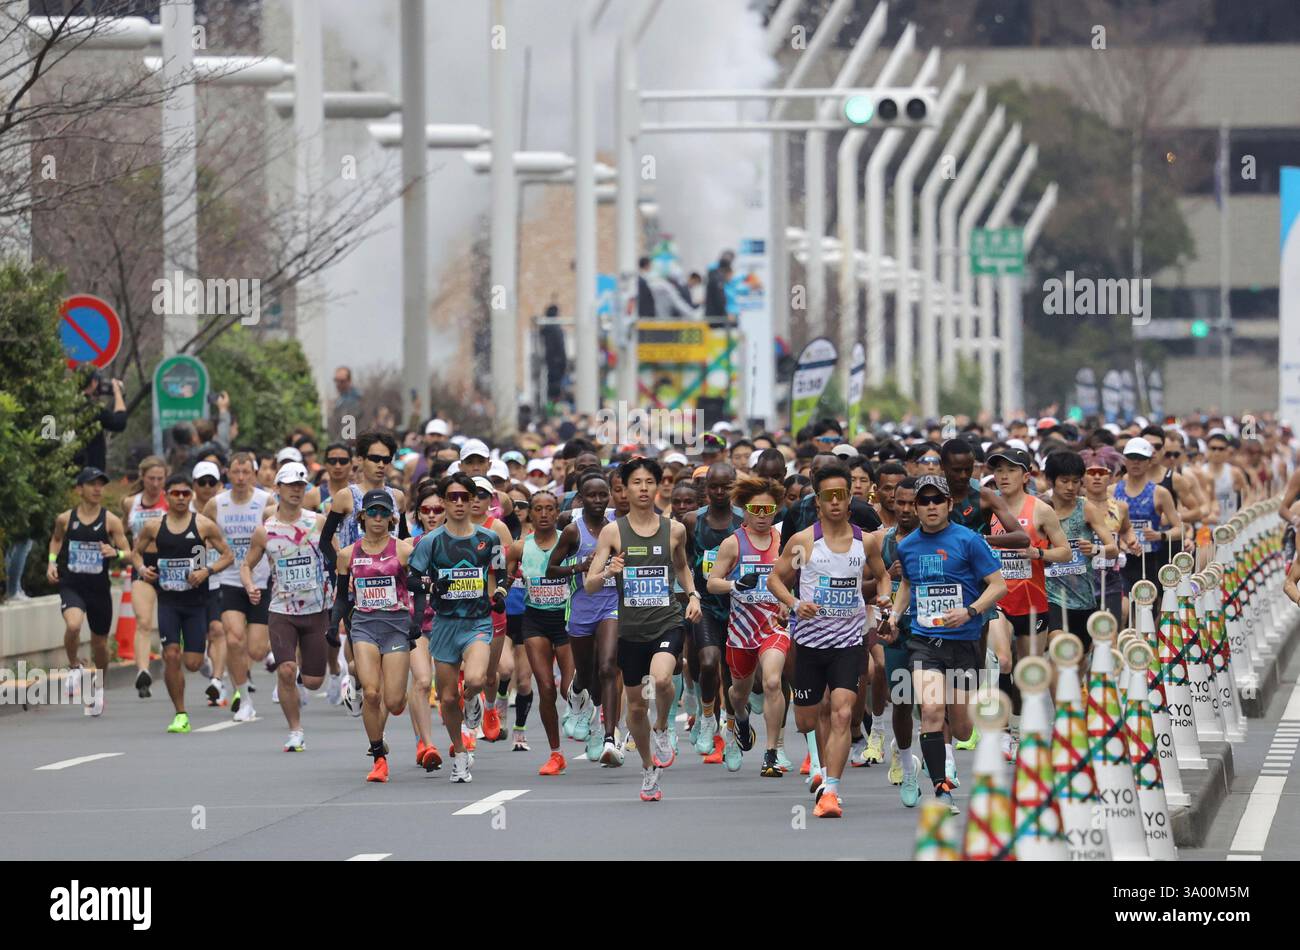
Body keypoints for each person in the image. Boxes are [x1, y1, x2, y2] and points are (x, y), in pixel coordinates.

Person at [766, 462, 889, 819]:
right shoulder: (805, 541)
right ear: (818, 501)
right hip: (808, 645)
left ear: (850, 498)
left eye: (841, 495)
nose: (835, 502)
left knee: (842, 713)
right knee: (809, 718)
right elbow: (776, 579)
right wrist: (793, 604)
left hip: (848, 642)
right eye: (828, 496)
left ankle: (831, 789)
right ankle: (819, 766)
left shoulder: (864, 542)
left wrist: (883, 600)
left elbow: (881, 577)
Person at [887, 474, 1007, 815]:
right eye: (923, 501)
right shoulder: (907, 545)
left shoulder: (968, 540)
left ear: (949, 505)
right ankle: (940, 790)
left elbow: (998, 586)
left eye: (936, 500)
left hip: (965, 642)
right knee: (930, 710)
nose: (930, 507)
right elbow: (908, 585)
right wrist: (895, 616)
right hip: (924, 641)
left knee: (963, 724)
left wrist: (970, 610)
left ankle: (943, 758)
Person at [584, 457, 702, 802]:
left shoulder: (675, 529)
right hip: (630, 629)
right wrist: (609, 569)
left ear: (657, 485)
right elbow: (590, 585)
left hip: (667, 619)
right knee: (635, 709)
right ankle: (649, 767)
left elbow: (682, 568)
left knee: (663, 679)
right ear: (623, 488)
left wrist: (692, 595)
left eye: (650, 482)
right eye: (636, 483)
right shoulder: (613, 531)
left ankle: (663, 725)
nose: (644, 489)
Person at [408, 473, 510, 784]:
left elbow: (501, 572)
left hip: (477, 622)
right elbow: (412, 579)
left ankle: (475, 702)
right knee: (449, 698)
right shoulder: (431, 541)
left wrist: (501, 593)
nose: (460, 503)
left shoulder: (487, 538)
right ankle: (460, 753)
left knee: (477, 678)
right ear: (443, 501)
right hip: (444, 626)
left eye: (465, 497)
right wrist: (431, 583)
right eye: (452, 497)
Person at [131, 473, 233, 734]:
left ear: (191, 496)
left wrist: (206, 571)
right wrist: (142, 570)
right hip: (168, 602)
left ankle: (206, 665)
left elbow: (228, 555)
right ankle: (180, 713)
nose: (180, 498)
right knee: (171, 655)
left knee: (193, 663)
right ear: (166, 495)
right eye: (175, 493)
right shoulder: (154, 526)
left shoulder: (203, 525)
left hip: (196, 603)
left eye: (185, 493)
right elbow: (135, 552)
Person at [241, 462, 331, 752]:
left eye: (300, 485)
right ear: (277, 489)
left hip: (317, 610)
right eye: (290, 485)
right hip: (281, 610)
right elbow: (246, 564)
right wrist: (250, 586)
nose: (296, 490)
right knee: (286, 671)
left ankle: (306, 679)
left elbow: (339, 557)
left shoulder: (318, 522)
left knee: (315, 681)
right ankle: (296, 730)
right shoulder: (264, 531)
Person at [334, 490, 419, 783]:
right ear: (362, 516)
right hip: (364, 625)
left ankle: (400, 694)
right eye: (373, 513)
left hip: (396, 625)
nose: (378, 518)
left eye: (384, 513)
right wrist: (334, 626)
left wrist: (416, 621)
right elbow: (342, 599)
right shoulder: (348, 554)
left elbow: (419, 588)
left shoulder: (404, 551)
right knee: (371, 693)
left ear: (392, 518)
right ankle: (378, 757)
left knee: (393, 702)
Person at [706, 474, 788, 775]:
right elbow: (712, 583)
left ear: (776, 510)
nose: (763, 517)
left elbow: (798, 578)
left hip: (774, 628)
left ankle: (771, 753)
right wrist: (735, 585)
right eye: (756, 511)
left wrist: (787, 601)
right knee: (738, 693)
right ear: (745, 511)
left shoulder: (784, 542)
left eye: (768, 511)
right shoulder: (733, 543)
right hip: (741, 631)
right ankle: (740, 717)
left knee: (772, 682)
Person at [547, 471, 622, 765]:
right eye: (592, 495)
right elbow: (551, 569)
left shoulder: (615, 529)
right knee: (588, 673)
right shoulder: (573, 531)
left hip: (610, 605)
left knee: (607, 668)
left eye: (604, 494)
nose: (599, 500)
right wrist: (579, 566)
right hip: (580, 608)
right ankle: (577, 692)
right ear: (581, 497)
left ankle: (607, 737)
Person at [48, 467, 130, 716]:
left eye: (100, 484)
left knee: (100, 644)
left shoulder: (110, 521)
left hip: (98, 589)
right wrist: (51, 561)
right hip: (72, 584)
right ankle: (75, 666)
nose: (97, 489)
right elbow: (56, 539)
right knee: (73, 626)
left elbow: (130, 553)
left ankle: (100, 688)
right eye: (92, 484)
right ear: (79, 489)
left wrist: (116, 553)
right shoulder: (65, 518)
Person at [508, 490, 573, 775]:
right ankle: (556, 753)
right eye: (538, 509)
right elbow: (505, 579)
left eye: (550, 509)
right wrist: (498, 592)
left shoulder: (569, 541)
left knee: (567, 688)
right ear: (530, 514)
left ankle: (589, 720)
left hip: (567, 620)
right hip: (534, 620)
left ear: (557, 512)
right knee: (545, 687)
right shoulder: (520, 547)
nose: (544, 514)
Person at [681, 462, 744, 758]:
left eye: (725, 486)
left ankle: (731, 729)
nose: (719, 492)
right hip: (705, 603)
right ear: (705, 488)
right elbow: (682, 563)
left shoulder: (743, 521)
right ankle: (708, 718)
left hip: (738, 605)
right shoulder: (693, 521)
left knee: (732, 673)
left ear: (734, 487)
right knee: (707, 662)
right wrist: (690, 595)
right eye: (713, 486)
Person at [205, 452, 273, 721]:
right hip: (230, 579)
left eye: (246, 472)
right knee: (233, 639)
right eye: (236, 472)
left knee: (255, 649)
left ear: (254, 474)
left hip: (261, 580)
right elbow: (202, 532)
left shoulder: (265, 502)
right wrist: (203, 564)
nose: (241, 478)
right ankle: (244, 699)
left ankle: (245, 672)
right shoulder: (216, 504)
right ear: (228, 474)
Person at [1043, 450, 1118, 644]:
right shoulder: (1040, 507)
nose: (1070, 487)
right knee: (1060, 643)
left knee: (1080, 658)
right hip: (1050, 596)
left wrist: (1095, 549)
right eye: (1064, 481)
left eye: (1075, 481)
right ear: (1051, 480)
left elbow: (1113, 548)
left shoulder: (1086, 508)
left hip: (1083, 597)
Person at [880, 477, 921, 805]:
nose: (906, 509)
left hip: (934, 631)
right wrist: (886, 577)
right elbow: (864, 583)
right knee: (903, 700)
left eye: (913, 503)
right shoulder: (882, 541)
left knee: (936, 703)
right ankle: (906, 762)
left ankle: (944, 767)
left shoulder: (943, 539)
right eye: (901, 503)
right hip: (895, 631)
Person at [122, 456, 170, 697]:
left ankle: (177, 659)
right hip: (142, 564)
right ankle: (143, 672)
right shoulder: (130, 502)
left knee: (170, 622)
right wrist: (122, 552)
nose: (155, 483)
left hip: (171, 565)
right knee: (143, 621)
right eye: (151, 478)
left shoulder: (172, 501)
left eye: (160, 479)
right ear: (142, 477)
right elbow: (122, 532)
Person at [1113, 437, 1182, 591]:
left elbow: (1179, 528)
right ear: (1124, 461)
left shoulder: (1160, 493)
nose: (1136, 462)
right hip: (1121, 559)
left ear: (1150, 462)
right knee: (1125, 608)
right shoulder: (1112, 491)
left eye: (1141, 458)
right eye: (1131, 458)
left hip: (1151, 560)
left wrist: (1160, 535)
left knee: (1150, 606)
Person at [191, 460, 229, 706]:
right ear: (194, 484)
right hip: (194, 580)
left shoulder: (226, 506)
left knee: (218, 629)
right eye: (202, 482)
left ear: (218, 484)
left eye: (211, 482)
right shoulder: (183, 505)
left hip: (221, 576)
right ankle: (207, 663)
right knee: (195, 651)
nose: (207, 487)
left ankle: (217, 680)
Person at [71, 366, 127, 474]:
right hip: (90, 470)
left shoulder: (64, 405)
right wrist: (118, 393)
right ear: (93, 382)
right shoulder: (92, 409)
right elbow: (119, 422)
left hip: (66, 468)